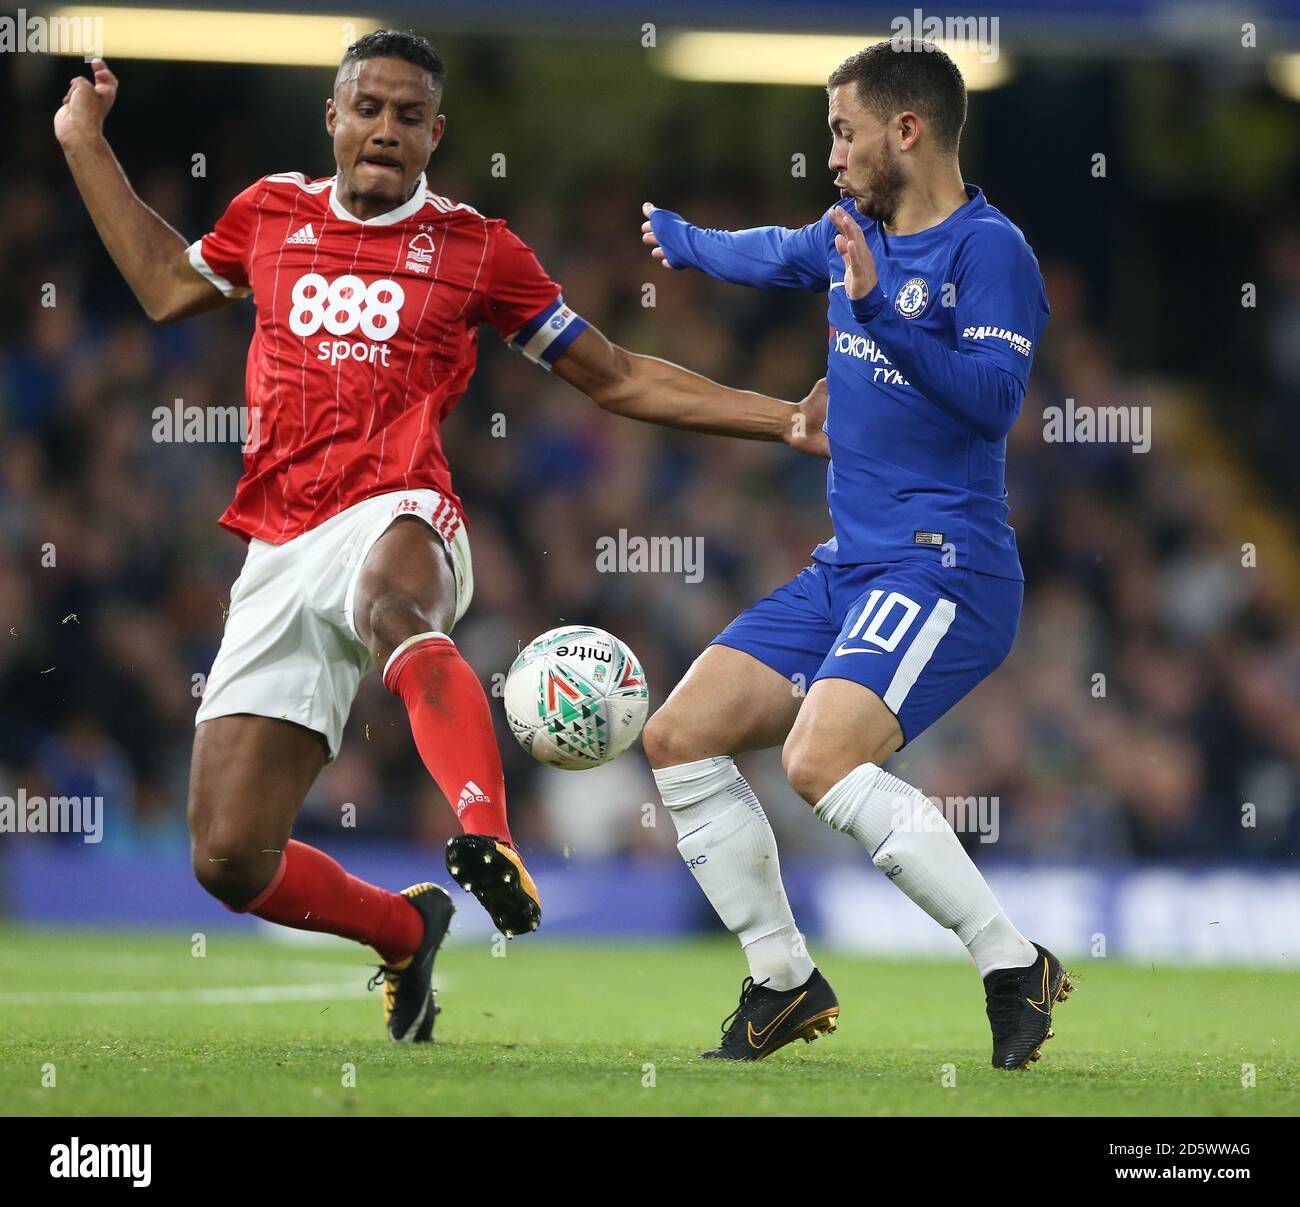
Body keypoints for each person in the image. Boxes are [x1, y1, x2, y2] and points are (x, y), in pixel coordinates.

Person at [54, 29, 827, 1043]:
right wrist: (81, 142)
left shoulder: (474, 248)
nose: (385, 131)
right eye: (367, 108)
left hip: (403, 509)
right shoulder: (269, 214)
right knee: (229, 858)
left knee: (394, 605)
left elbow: (616, 374)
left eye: (408, 116)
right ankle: (405, 930)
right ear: (332, 117)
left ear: (435, 134)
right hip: (281, 544)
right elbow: (162, 286)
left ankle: (485, 836)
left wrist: (779, 418)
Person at [640, 39, 1070, 1068]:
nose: (829, 155)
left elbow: (993, 400)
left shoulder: (988, 251)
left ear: (904, 130)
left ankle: (1013, 963)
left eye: (842, 131)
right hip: (852, 564)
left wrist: (879, 311)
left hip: (946, 564)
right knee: (679, 735)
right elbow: (769, 251)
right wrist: (685, 240)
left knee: (818, 760)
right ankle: (782, 980)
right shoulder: (845, 236)